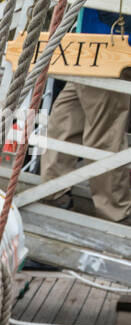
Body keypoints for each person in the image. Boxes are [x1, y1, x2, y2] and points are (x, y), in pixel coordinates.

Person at [40, 7, 131, 225]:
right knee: (65, 119)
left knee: (104, 132)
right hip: (89, 48)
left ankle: (114, 211)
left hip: (109, 50)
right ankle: (55, 191)